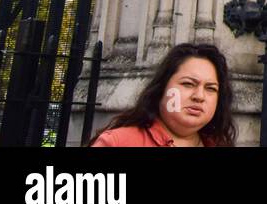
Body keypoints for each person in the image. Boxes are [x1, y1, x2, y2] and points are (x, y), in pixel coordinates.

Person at [89, 42, 235, 147]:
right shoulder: (117, 143)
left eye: (211, 88)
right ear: (162, 89)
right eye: (188, 84)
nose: (199, 96)